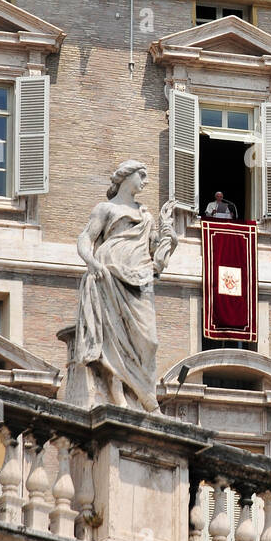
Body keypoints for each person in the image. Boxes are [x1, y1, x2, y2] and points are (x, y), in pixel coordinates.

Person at [65, 160, 177, 411]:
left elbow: (155, 250)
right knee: (113, 335)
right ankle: (121, 395)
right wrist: (91, 261)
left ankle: (142, 393)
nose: (145, 181)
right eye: (142, 175)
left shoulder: (145, 214)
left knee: (150, 340)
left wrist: (167, 226)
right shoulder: (105, 208)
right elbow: (86, 237)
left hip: (140, 276)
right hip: (110, 273)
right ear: (127, 176)